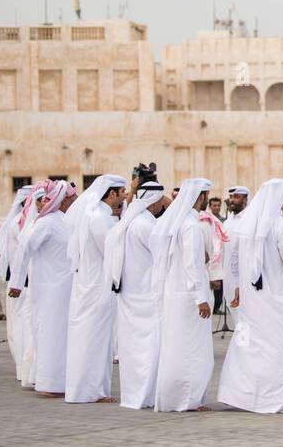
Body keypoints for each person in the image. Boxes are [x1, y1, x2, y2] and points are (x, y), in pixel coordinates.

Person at [217, 179, 283, 413]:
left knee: (250, 346)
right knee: (276, 347)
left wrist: (238, 288)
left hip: (252, 299)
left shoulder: (246, 225)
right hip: (276, 300)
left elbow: (233, 261)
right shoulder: (279, 227)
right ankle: (269, 399)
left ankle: (241, 395)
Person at [151, 178, 214, 412]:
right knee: (194, 348)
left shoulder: (178, 223)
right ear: (200, 197)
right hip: (189, 297)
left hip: (175, 293)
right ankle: (189, 399)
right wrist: (201, 299)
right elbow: (192, 265)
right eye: (206, 195)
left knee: (177, 346)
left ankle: (176, 397)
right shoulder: (192, 226)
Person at [10, 180, 78, 396]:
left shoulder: (65, 221)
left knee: (61, 335)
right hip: (48, 288)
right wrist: (17, 283)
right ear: (62, 199)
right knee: (49, 333)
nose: (74, 201)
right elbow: (24, 249)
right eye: (71, 198)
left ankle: (58, 381)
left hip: (66, 287)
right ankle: (49, 384)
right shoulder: (45, 223)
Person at [64, 174, 127, 403]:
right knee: (94, 338)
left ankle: (90, 388)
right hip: (97, 286)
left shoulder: (97, 214)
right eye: (122, 193)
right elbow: (111, 250)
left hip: (90, 284)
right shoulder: (100, 217)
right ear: (112, 193)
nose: (124, 197)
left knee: (93, 337)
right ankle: (90, 390)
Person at [107, 181, 167, 410]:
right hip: (147, 295)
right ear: (154, 201)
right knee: (149, 347)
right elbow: (164, 256)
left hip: (131, 295)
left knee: (132, 347)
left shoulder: (130, 222)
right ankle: (146, 395)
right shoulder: (146, 225)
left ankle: (134, 395)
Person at [0, 186, 35, 380]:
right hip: (22, 284)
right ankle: (24, 370)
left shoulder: (22, 222)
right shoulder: (20, 224)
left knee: (21, 326)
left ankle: (24, 369)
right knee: (22, 326)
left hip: (21, 283)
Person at [222, 186, 249, 318]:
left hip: (243, 278)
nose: (232, 200)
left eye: (237, 197)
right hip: (228, 278)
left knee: (244, 318)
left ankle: (243, 339)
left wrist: (239, 283)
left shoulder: (249, 220)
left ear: (245, 199)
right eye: (231, 197)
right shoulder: (227, 223)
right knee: (237, 318)